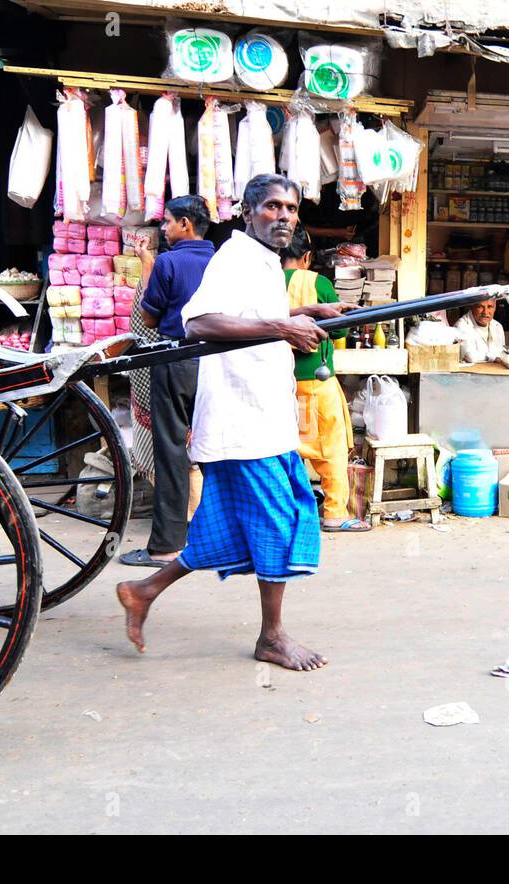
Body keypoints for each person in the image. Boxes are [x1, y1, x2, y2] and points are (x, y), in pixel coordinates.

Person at [116, 174, 342, 671]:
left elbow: (248, 318)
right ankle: (272, 637)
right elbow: (199, 322)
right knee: (281, 519)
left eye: (292, 208)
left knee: (226, 531)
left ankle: (143, 589)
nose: (285, 216)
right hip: (243, 422)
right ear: (247, 212)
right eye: (273, 207)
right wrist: (283, 325)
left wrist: (301, 312)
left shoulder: (263, 262)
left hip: (264, 417)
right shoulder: (235, 258)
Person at [118, 195, 216, 568]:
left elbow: (151, 318)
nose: (164, 228)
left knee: (172, 453)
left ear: (186, 225)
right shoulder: (221, 261)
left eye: (169, 222)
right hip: (216, 361)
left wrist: (148, 270)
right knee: (218, 449)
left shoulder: (169, 263)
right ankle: (221, 536)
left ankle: (166, 547)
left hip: (176, 361)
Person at [281, 228, 367, 532]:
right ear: (306, 257)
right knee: (330, 447)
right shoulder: (319, 283)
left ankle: (289, 511)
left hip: (280, 384)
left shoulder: (267, 283)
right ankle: (334, 512)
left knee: (286, 448)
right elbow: (341, 330)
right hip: (318, 383)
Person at [454, 297, 506, 363]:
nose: (485, 312)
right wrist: (493, 358)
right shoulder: (462, 325)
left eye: (490, 307)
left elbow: (503, 355)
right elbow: (471, 357)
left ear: (495, 308)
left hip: (495, 370)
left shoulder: (497, 326)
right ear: (472, 307)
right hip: (471, 372)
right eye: (480, 307)